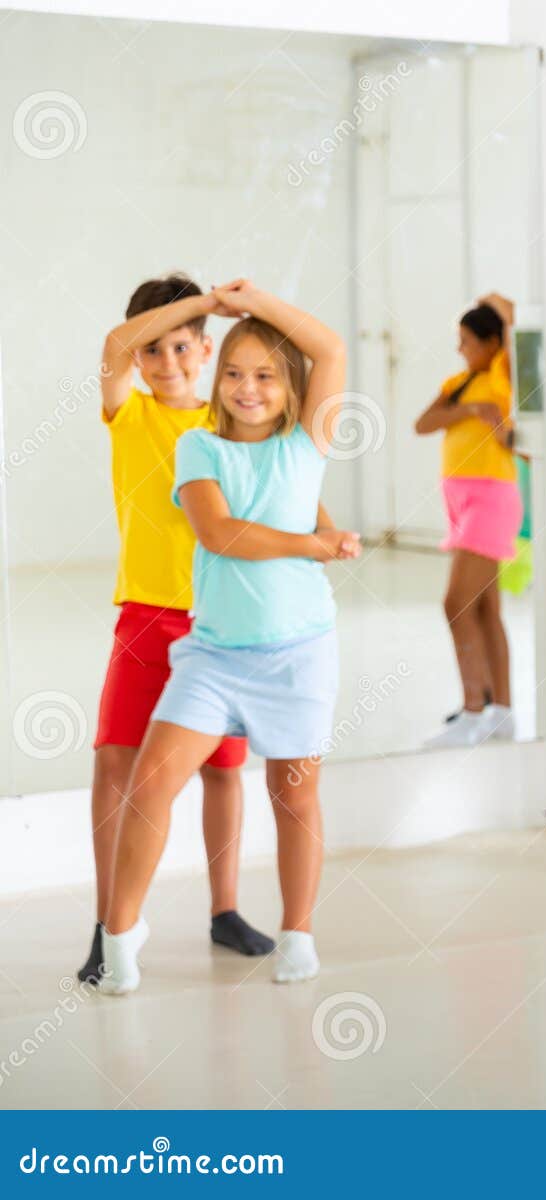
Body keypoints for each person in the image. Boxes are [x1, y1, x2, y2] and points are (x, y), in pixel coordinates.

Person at [97, 280, 359, 994]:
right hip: (211, 655)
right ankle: (119, 935)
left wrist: (261, 302)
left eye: (266, 374)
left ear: (290, 387)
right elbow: (221, 534)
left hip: (298, 652)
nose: (248, 387)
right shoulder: (199, 449)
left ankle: (297, 931)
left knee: (294, 795)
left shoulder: (309, 443)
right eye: (236, 374)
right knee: (150, 782)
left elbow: (329, 347)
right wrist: (316, 544)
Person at [83, 274, 274, 984]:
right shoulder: (127, 415)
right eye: (153, 349)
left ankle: (224, 910)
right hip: (142, 620)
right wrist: (202, 301)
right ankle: (111, 924)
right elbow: (113, 344)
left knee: (223, 772)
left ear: (206, 350)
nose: (167, 362)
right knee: (114, 768)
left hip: (220, 626)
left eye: (183, 348)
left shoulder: (229, 425)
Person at [414, 294, 521, 748]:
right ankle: (501, 713)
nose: (461, 350)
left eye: (467, 342)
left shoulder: (502, 375)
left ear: (492, 343)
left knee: (455, 603)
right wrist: (473, 410)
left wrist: (504, 311)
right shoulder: (460, 383)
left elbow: (515, 337)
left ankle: (474, 710)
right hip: (460, 503)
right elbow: (423, 423)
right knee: (484, 609)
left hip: (491, 498)